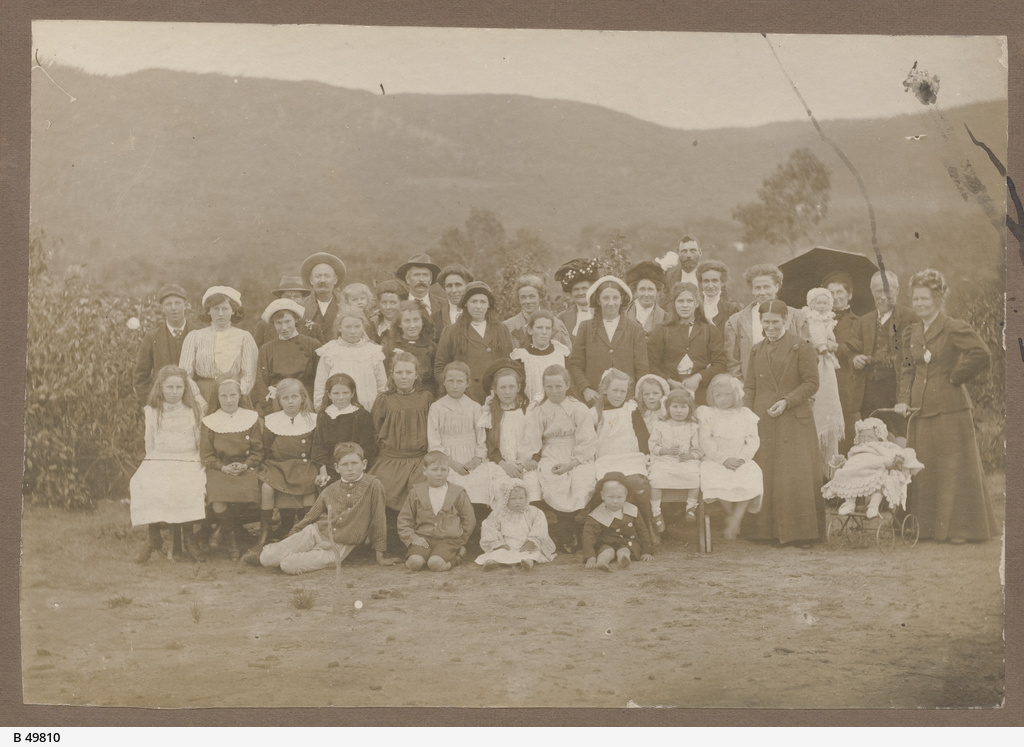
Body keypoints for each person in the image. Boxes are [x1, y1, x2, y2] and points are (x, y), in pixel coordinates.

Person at [895, 268, 995, 543]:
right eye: (915, 299)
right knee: (923, 467)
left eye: (924, 299)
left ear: (937, 299)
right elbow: (906, 368)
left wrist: (954, 376)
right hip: (920, 410)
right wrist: (903, 399)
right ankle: (925, 528)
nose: (919, 304)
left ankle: (959, 530)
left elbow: (981, 354)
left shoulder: (953, 327)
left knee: (953, 468)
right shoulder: (911, 332)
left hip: (951, 410)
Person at [742, 300, 824, 546]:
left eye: (775, 322)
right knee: (766, 472)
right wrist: (747, 416)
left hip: (794, 420)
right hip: (764, 419)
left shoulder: (801, 347)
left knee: (794, 475)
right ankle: (765, 532)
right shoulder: (756, 350)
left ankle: (801, 534)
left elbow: (811, 383)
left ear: (786, 320)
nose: (771, 327)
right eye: (766, 322)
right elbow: (750, 386)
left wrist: (787, 402)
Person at [254, 443, 398, 573]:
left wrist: (380, 555)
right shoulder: (331, 489)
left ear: (364, 464)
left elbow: (379, 519)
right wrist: (293, 538)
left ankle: (291, 556)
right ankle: (276, 552)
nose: (350, 468)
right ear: (336, 468)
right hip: (314, 532)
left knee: (289, 565)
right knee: (267, 558)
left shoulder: (373, 485)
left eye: (354, 463)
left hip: (338, 546)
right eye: (344, 464)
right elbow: (310, 517)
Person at [131, 365, 207, 563]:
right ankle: (154, 536)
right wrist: (153, 463)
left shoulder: (193, 410)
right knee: (144, 482)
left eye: (179, 387)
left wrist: (197, 461)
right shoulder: (152, 411)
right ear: (161, 388)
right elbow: (150, 443)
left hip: (188, 457)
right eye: (169, 387)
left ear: (185, 388)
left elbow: (199, 441)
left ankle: (189, 537)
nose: (174, 392)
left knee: (186, 485)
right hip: (161, 457)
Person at [521, 365, 597, 551]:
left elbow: (587, 441)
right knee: (552, 478)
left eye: (558, 386)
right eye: (549, 387)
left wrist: (571, 464)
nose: (554, 391)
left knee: (581, 480)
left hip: (576, 453)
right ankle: (563, 531)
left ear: (567, 385)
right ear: (544, 387)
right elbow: (532, 439)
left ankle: (574, 529)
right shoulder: (539, 411)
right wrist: (531, 457)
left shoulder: (578, 408)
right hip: (551, 452)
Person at [583, 368, 658, 544]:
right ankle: (603, 530)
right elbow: (588, 439)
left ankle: (648, 525)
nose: (619, 395)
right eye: (615, 390)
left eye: (623, 391)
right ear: (604, 390)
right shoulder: (594, 413)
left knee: (636, 482)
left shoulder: (631, 408)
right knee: (607, 486)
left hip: (631, 457)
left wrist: (646, 454)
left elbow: (642, 434)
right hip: (606, 460)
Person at [368, 352, 432, 545]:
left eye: (408, 372)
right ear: (392, 374)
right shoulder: (384, 399)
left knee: (422, 491)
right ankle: (387, 540)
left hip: (418, 459)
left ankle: (418, 538)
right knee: (380, 489)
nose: (404, 376)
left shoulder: (426, 397)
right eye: (399, 372)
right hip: (390, 458)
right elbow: (374, 430)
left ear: (416, 374)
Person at [199, 376, 263, 560]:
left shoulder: (250, 418)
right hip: (219, 470)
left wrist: (245, 464)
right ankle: (232, 542)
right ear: (217, 397)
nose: (228, 400)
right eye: (223, 395)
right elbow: (206, 455)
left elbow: (258, 451)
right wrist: (223, 467)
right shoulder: (210, 421)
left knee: (252, 495)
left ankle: (223, 529)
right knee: (218, 498)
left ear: (240, 395)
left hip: (246, 467)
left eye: (233, 395)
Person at [847, 270, 916, 438]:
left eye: (889, 290)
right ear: (872, 292)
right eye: (878, 290)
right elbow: (852, 351)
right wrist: (855, 359)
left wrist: (905, 398)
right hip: (869, 392)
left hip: (898, 389)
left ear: (898, 291)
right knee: (871, 439)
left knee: (900, 438)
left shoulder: (910, 317)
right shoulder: (864, 321)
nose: (883, 295)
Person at [252, 378, 318, 550]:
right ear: (279, 401)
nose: (290, 402)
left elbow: (316, 448)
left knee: (309, 485)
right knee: (267, 487)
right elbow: (266, 447)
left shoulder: (312, 419)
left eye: (294, 397)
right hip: (277, 466)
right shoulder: (272, 420)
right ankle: (265, 532)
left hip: (304, 465)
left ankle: (306, 529)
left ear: (302, 398)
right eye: (285, 398)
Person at [428, 362, 492, 536]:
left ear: (467, 383)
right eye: (450, 381)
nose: (455, 386)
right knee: (452, 485)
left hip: (471, 458)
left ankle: (479, 530)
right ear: (444, 382)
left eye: (459, 381)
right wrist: (450, 463)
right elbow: (434, 442)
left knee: (482, 483)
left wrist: (478, 458)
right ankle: (457, 531)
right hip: (448, 459)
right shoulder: (437, 408)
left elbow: (481, 439)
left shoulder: (474, 407)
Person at [697, 374, 763, 540]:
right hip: (716, 459)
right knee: (715, 477)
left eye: (727, 394)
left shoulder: (745, 414)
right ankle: (729, 513)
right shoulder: (708, 413)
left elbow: (753, 441)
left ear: (735, 395)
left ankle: (736, 517)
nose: (723, 399)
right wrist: (722, 459)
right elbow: (705, 440)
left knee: (752, 475)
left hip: (740, 459)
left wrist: (742, 458)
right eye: (718, 395)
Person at [567, 275, 649, 405]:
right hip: (595, 399)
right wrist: (586, 389)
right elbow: (575, 364)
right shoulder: (585, 327)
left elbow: (642, 368)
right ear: (598, 301)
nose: (611, 303)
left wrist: (636, 396)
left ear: (621, 300)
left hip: (626, 400)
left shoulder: (635, 329)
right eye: (606, 298)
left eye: (615, 298)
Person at [823, 418, 924, 519]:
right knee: (845, 474)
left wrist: (898, 457)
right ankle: (849, 504)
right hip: (857, 470)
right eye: (863, 436)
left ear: (879, 437)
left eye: (870, 436)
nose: (866, 439)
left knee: (880, 479)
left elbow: (896, 450)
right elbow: (852, 458)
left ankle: (873, 506)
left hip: (876, 467)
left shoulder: (883, 445)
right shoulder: (857, 448)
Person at [179, 286, 259, 412]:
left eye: (225, 308)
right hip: (203, 393)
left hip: (233, 395)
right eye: (216, 309)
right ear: (208, 311)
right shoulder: (195, 337)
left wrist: (236, 396)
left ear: (233, 311)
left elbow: (249, 375)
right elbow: (184, 374)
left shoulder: (244, 337)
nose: (220, 313)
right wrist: (197, 397)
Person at [647, 282, 728, 406]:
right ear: (674, 304)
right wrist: (669, 381)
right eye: (680, 301)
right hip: (669, 389)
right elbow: (652, 364)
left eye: (689, 301)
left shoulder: (710, 330)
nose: (685, 305)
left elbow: (720, 364)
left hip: (700, 390)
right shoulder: (661, 330)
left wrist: (698, 377)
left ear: (696, 304)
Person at [434, 281, 515, 404]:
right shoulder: (451, 331)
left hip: (495, 397)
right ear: (466, 303)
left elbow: (510, 364)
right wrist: (454, 390)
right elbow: (440, 367)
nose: (478, 306)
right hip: (464, 398)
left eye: (483, 302)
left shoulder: (501, 329)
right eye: (473, 301)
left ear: (489, 305)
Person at [398, 451, 477, 572]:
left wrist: (460, 541)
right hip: (424, 539)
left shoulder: (457, 493)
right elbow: (404, 520)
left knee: (435, 564)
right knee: (415, 563)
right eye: (434, 469)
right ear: (425, 471)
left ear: (448, 472)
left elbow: (469, 520)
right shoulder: (416, 492)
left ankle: (457, 556)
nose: (439, 474)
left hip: (448, 540)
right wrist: (413, 538)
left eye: (443, 470)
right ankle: (425, 555)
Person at [797, 287, 845, 477]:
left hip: (827, 364)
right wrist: (823, 346)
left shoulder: (829, 319)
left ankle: (830, 472)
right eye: (819, 302)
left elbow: (830, 336)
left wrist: (832, 343)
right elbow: (815, 336)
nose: (823, 306)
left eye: (826, 303)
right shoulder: (811, 318)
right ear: (811, 304)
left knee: (828, 400)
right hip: (816, 359)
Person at [724, 264, 801, 380]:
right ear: (752, 290)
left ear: (777, 286)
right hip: (753, 385)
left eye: (767, 287)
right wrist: (743, 389)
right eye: (757, 288)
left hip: (789, 386)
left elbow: (808, 358)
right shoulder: (736, 321)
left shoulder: (797, 317)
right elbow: (732, 362)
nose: (762, 292)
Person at [479, 359, 539, 506]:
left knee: (532, 483)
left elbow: (535, 440)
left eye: (511, 386)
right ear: (494, 389)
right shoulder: (490, 413)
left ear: (518, 387)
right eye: (503, 387)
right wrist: (505, 465)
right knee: (500, 486)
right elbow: (490, 445)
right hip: (500, 463)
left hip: (524, 463)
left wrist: (525, 464)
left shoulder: (528, 410)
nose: (507, 392)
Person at [133, 283, 200, 404]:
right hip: (161, 405)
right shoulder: (151, 337)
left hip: (193, 404)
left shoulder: (199, 335)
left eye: (178, 303)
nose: (173, 308)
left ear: (185, 306)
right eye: (168, 304)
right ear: (162, 308)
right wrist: (152, 402)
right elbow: (140, 377)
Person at [648, 388, 702, 534]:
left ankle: (691, 507)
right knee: (655, 478)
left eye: (683, 407)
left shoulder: (692, 427)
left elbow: (698, 449)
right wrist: (666, 451)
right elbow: (652, 446)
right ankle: (656, 512)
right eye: (675, 407)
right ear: (668, 408)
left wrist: (691, 456)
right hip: (664, 459)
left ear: (690, 409)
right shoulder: (660, 425)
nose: (679, 411)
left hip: (685, 461)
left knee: (694, 476)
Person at [312, 306, 387, 410]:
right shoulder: (330, 350)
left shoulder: (373, 351)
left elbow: (382, 385)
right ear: (340, 327)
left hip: (369, 408)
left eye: (357, 327)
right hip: (338, 409)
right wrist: (320, 408)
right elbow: (320, 383)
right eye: (348, 327)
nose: (353, 331)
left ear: (363, 327)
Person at [253, 298, 320, 416]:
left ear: (296, 320)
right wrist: (270, 410)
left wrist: (314, 404)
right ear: (273, 324)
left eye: (288, 321)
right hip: (278, 404)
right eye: (278, 323)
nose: (284, 327)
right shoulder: (266, 349)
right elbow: (262, 383)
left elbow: (320, 379)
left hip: (307, 402)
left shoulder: (312, 344)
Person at [312, 373, 377, 488]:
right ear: (329, 394)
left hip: (354, 469)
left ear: (352, 393)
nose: (341, 397)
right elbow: (319, 447)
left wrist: (351, 468)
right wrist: (323, 472)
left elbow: (367, 448)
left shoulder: (362, 416)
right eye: (336, 393)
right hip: (330, 470)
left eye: (345, 393)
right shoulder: (323, 415)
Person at [581, 473, 654, 570]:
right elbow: (588, 537)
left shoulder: (632, 510)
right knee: (607, 552)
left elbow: (642, 531)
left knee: (624, 550)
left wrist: (646, 551)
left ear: (626, 496)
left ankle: (623, 558)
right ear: (603, 496)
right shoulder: (596, 514)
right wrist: (590, 557)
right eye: (611, 497)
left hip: (627, 543)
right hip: (606, 544)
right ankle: (602, 562)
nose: (615, 501)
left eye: (619, 497)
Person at [476, 481, 556, 571]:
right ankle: (490, 562)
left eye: (521, 498)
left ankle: (528, 563)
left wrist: (532, 541)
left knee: (533, 553)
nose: (518, 502)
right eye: (513, 499)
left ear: (527, 498)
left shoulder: (534, 512)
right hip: (506, 545)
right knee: (497, 553)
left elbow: (540, 527)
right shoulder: (498, 513)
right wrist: (497, 544)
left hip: (526, 544)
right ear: (506, 499)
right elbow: (488, 527)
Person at [823, 270, 861, 452]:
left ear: (850, 295)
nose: (836, 297)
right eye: (831, 293)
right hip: (822, 383)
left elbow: (860, 347)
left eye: (840, 292)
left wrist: (837, 347)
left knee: (848, 434)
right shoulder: (814, 321)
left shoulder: (859, 322)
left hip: (847, 385)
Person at [510, 308, 571, 403]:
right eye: (539, 328)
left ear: (552, 331)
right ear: (530, 330)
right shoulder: (521, 357)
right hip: (531, 407)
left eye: (548, 328)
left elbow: (570, 385)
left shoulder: (561, 352)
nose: (544, 332)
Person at [382, 299, 438, 396]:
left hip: (425, 397)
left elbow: (436, 377)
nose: (412, 325)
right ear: (399, 324)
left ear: (423, 322)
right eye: (407, 321)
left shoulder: (431, 347)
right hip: (397, 397)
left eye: (416, 320)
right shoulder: (390, 347)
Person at [251, 276, 323, 348]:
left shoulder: (313, 327)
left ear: (303, 299)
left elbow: (323, 355)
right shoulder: (263, 326)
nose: (292, 300)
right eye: (287, 297)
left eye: (296, 296)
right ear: (280, 299)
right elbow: (255, 354)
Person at [503, 275, 572, 349]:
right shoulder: (507, 326)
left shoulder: (556, 325)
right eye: (523, 297)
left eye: (532, 296)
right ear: (518, 299)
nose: (528, 301)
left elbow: (568, 353)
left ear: (540, 297)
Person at [395, 253, 446, 339]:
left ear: (430, 280)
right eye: (416, 275)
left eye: (425, 275)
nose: (421, 279)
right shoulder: (397, 305)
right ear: (407, 279)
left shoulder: (444, 305)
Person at [300, 252, 347, 345]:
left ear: (335, 279)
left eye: (327, 276)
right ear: (311, 280)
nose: (322, 280)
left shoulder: (346, 305)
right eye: (318, 276)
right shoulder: (301, 307)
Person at [554, 257, 600, 341]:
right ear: (571, 293)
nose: (580, 293)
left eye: (584, 288)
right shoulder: (561, 317)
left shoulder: (604, 313)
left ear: (592, 290)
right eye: (576, 289)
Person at [696, 260, 743, 333]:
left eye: (714, 281)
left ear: (722, 283)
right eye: (706, 281)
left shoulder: (732, 309)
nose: (710, 286)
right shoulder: (694, 307)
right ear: (701, 283)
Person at [623, 260, 667, 336]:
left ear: (657, 291)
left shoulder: (666, 318)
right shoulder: (623, 316)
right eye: (642, 289)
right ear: (635, 292)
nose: (646, 294)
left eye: (650, 289)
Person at [368, 279, 409, 345]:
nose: (388, 307)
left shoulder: (410, 326)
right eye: (384, 302)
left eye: (392, 303)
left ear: (402, 303)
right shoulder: (372, 324)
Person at [437, 263, 473, 333]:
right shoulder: (436, 318)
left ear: (467, 286)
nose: (454, 290)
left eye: (458, 285)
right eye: (449, 286)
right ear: (444, 288)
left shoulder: (478, 314)